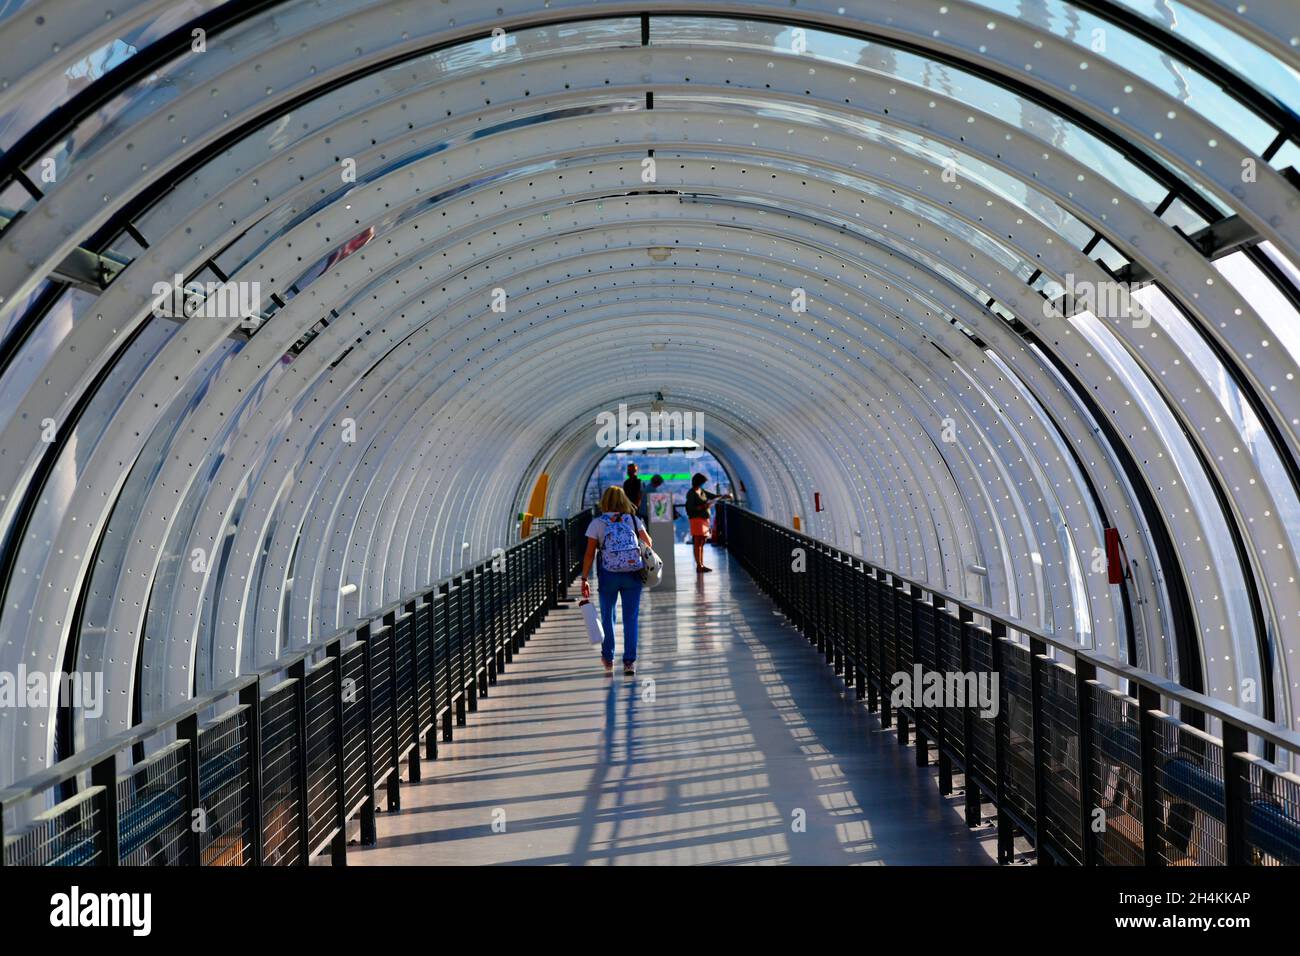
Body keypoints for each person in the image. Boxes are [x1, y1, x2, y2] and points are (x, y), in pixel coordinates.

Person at [581, 486, 653, 675]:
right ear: (623, 500)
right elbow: (649, 543)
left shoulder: (597, 523)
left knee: (608, 616)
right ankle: (629, 662)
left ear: (604, 501)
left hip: (608, 575)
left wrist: (584, 578)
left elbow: (589, 554)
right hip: (632, 573)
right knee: (631, 618)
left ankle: (608, 658)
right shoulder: (633, 520)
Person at [685, 472, 731, 573]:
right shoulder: (691, 493)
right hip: (696, 519)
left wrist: (723, 496)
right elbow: (690, 507)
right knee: (697, 541)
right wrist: (702, 507)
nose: (703, 485)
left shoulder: (702, 491)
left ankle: (701, 563)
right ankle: (699, 565)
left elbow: (713, 496)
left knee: (702, 541)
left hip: (704, 519)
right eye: (702, 482)